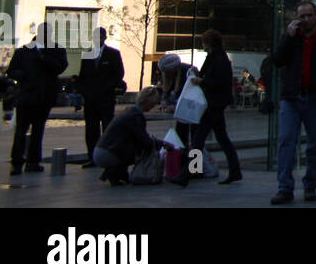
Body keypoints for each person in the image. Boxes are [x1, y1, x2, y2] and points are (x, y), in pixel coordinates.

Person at [270, 1, 316, 204]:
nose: (306, 20)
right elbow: (277, 60)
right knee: (286, 141)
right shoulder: (293, 38)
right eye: (302, 16)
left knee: (315, 143)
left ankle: (310, 184)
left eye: (309, 15)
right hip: (292, 97)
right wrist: (287, 37)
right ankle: (284, 187)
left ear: (315, 15)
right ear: (297, 17)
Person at [177, 29, 242, 187]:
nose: (203, 46)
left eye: (204, 43)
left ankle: (188, 173)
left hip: (214, 103)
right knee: (221, 138)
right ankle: (234, 170)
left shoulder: (218, 59)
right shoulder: (218, 57)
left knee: (199, 139)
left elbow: (219, 82)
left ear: (209, 43)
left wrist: (201, 82)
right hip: (215, 103)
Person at [6, 23, 68, 175]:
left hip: (44, 96)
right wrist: (24, 77)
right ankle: (17, 161)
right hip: (26, 96)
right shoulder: (23, 51)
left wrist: (44, 58)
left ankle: (33, 162)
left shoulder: (57, 50)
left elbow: (60, 67)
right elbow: (11, 71)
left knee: (38, 130)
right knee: (21, 129)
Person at [92, 86, 163, 186]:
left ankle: (116, 173)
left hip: (99, 151)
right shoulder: (136, 116)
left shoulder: (128, 111)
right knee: (141, 150)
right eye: (153, 103)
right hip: (107, 153)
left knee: (131, 146)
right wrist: (162, 144)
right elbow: (144, 141)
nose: (154, 106)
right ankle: (116, 172)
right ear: (148, 102)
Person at [76, 28, 125, 167]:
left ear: (105, 37)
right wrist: (83, 91)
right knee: (91, 129)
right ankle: (92, 157)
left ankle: (107, 155)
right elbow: (82, 76)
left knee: (107, 127)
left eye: (100, 36)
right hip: (90, 99)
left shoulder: (113, 54)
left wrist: (107, 88)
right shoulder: (87, 55)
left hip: (106, 98)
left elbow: (118, 74)